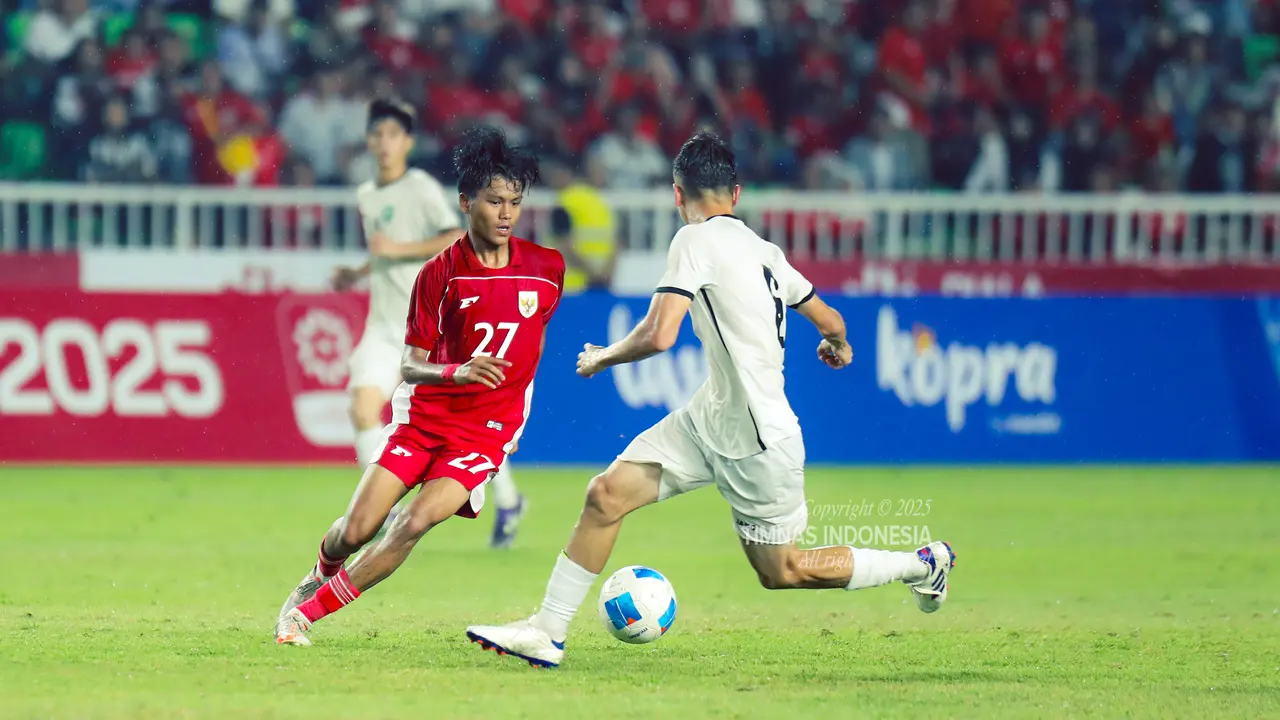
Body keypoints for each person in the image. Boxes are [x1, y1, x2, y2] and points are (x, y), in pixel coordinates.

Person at [464, 133, 956, 668]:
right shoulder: (766, 252)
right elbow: (832, 320)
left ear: (678, 196)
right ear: (736, 194)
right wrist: (835, 345)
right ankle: (547, 631)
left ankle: (921, 564)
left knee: (782, 571)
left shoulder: (693, 241)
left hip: (759, 441)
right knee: (606, 496)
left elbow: (659, 335)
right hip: (709, 419)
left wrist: (602, 357)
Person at [275, 126, 565, 646]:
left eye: (514, 203)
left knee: (412, 522)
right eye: (494, 201)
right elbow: (409, 365)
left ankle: (305, 616)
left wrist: (513, 409)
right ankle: (317, 573)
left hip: (483, 434)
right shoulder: (439, 274)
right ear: (465, 201)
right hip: (423, 421)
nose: (505, 213)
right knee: (357, 528)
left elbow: (533, 341)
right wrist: (459, 371)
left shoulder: (547, 269)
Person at [332, 99, 528, 547]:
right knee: (362, 408)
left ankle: (510, 498)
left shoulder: (420, 187)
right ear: (369, 140)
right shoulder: (367, 194)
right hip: (384, 328)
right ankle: (378, 515)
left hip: (432, 334)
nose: (385, 144)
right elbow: (384, 249)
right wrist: (359, 272)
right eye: (378, 134)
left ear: (408, 143)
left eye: (394, 135)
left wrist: (395, 251)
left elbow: (454, 237)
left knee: (468, 423)